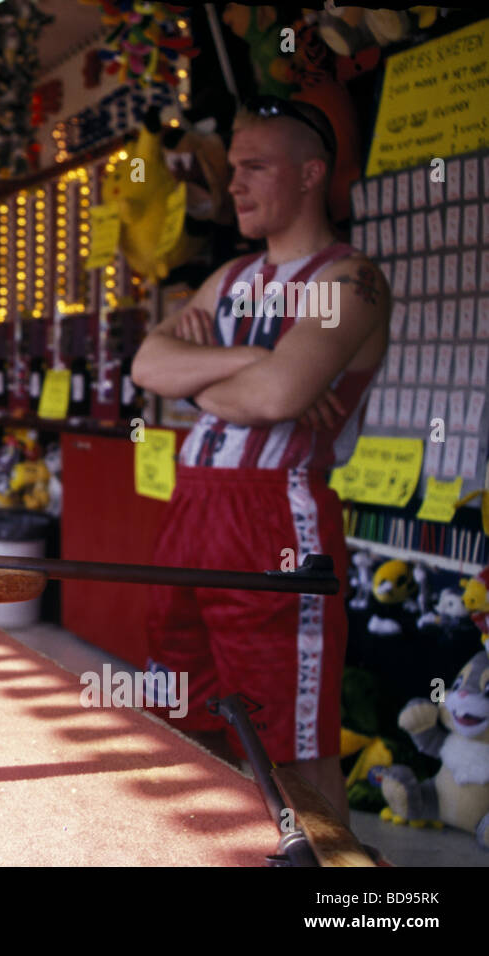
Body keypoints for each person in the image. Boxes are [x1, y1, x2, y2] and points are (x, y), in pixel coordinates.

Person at [131, 97, 391, 819]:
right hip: (190, 511)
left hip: (277, 517)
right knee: (189, 720)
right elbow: (149, 366)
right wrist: (250, 356)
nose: (234, 185)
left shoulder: (348, 282)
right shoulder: (231, 278)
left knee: (290, 746)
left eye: (254, 167)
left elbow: (281, 394)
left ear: (311, 175)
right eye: (233, 169)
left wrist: (212, 373)